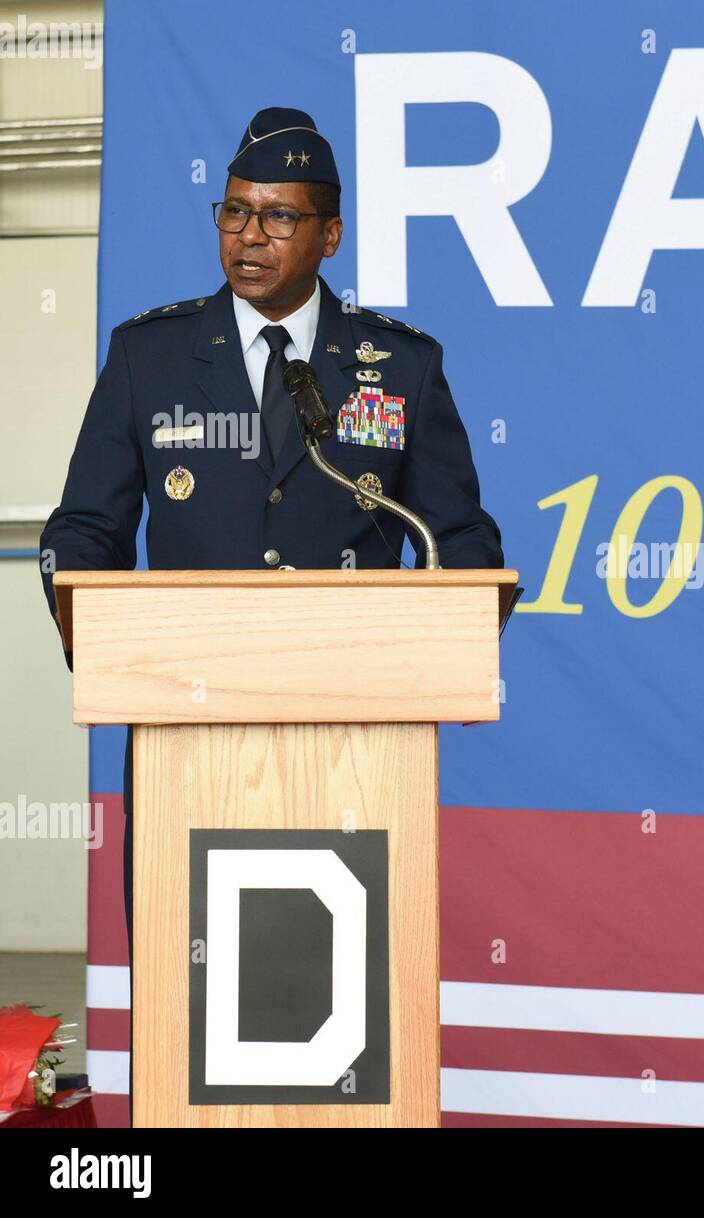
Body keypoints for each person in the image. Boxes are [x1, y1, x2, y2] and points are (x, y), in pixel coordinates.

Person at [37, 107, 504, 1113]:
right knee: (186, 994)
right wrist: (99, 637)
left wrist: (451, 643)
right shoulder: (150, 357)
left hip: (357, 744)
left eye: (278, 219)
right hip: (184, 730)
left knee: (344, 1022)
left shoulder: (400, 365)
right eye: (234, 214)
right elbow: (81, 532)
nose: (249, 238)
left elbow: (462, 541)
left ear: (329, 235)